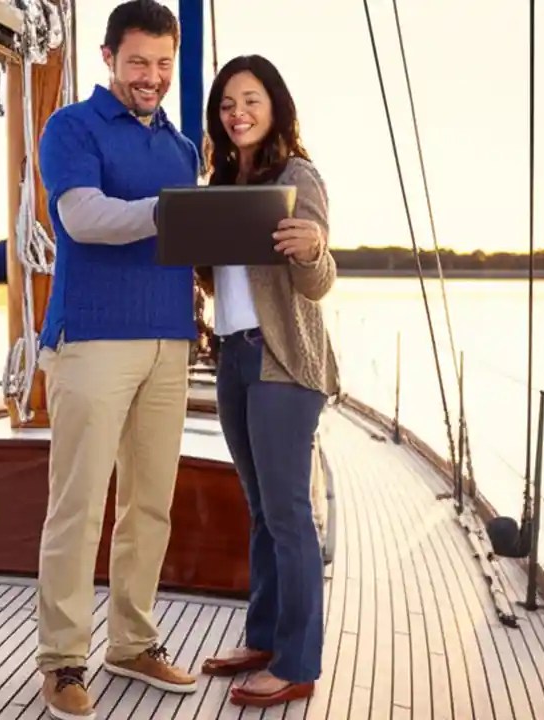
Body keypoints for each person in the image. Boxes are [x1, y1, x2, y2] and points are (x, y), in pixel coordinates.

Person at [33, 2, 200, 718]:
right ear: (108, 58)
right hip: (93, 340)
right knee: (78, 508)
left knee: (149, 505)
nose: (153, 77)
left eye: (164, 63)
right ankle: (63, 660)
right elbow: (83, 218)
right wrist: (171, 212)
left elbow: (189, 244)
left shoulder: (184, 148)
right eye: (138, 62)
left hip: (169, 342)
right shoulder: (70, 127)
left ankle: (133, 643)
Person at [195, 54, 340, 708]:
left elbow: (316, 281)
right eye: (227, 104)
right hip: (232, 358)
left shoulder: (298, 176)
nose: (238, 113)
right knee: (260, 510)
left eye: (250, 100)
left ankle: (298, 662)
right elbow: (218, 281)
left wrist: (313, 249)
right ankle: (263, 637)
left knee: (289, 516)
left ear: (273, 106)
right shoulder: (219, 183)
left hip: (282, 361)